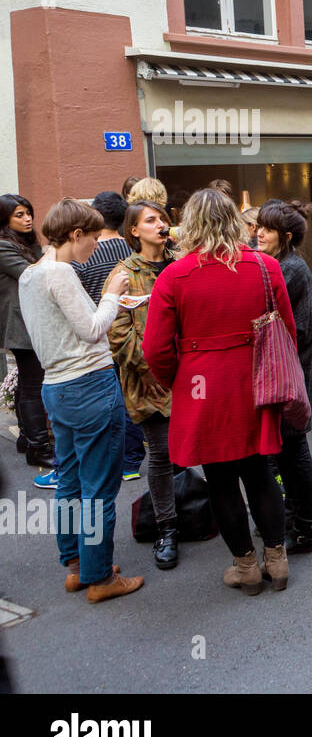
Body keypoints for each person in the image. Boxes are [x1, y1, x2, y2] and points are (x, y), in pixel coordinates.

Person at [143, 188, 295, 595]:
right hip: (255, 380)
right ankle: (276, 561)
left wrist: (178, 378)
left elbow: (155, 349)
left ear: (190, 224)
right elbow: (287, 333)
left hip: (202, 386)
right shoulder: (265, 267)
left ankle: (246, 567)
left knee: (221, 479)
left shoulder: (173, 275)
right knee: (261, 472)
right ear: (234, 221)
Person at [18, 198, 140, 602]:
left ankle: (77, 566)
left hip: (57, 387)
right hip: (89, 384)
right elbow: (92, 330)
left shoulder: (31, 275)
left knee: (70, 482)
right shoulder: (61, 273)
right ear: (76, 234)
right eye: (93, 237)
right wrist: (111, 293)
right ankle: (101, 579)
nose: (96, 245)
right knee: (99, 489)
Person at [108, 200, 180, 569]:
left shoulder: (181, 264)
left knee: (203, 448)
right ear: (133, 230)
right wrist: (151, 370)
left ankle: (208, 510)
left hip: (192, 376)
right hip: (150, 382)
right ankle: (167, 528)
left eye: (163, 219)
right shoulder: (125, 273)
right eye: (150, 220)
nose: (160, 225)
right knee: (162, 454)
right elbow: (118, 333)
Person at [256, 200, 312, 553]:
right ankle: (294, 517)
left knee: (293, 450)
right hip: (287, 369)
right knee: (285, 451)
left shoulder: (290, 268)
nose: (258, 234)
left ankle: (306, 526)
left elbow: (298, 329)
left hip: (289, 372)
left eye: (266, 229)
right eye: (258, 227)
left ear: (285, 236)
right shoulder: (280, 264)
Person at [73, 191, 144, 482]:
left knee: (112, 399)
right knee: (133, 394)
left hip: (100, 336)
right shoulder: (134, 251)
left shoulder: (84, 257)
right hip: (133, 331)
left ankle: (118, 461)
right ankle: (132, 459)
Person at [0, 194, 53, 469]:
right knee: (34, 384)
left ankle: (27, 438)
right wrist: (56, 251)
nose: (28, 218)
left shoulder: (24, 243)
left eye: (29, 213)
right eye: (19, 215)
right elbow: (33, 275)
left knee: (27, 382)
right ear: (5, 219)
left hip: (27, 320)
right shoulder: (2, 246)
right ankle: (38, 447)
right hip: (21, 323)